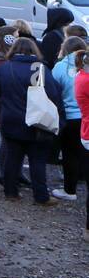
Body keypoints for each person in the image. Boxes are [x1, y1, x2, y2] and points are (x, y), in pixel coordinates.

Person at [0, 37, 63, 205]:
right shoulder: (39, 69)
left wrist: (6, 96)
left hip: (10, 119)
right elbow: (53, 91)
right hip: (36, 121)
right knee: (37, 159)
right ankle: (41, 196)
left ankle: (10, 191)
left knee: (12, 157)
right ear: (33, 51)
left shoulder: (6, 67)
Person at [51, 37, 87, 202]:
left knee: (70, 154)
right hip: (86, 116)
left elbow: (53, 90)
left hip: (69, 117)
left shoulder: (60, 67)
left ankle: (69, 190)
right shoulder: (85, 69)